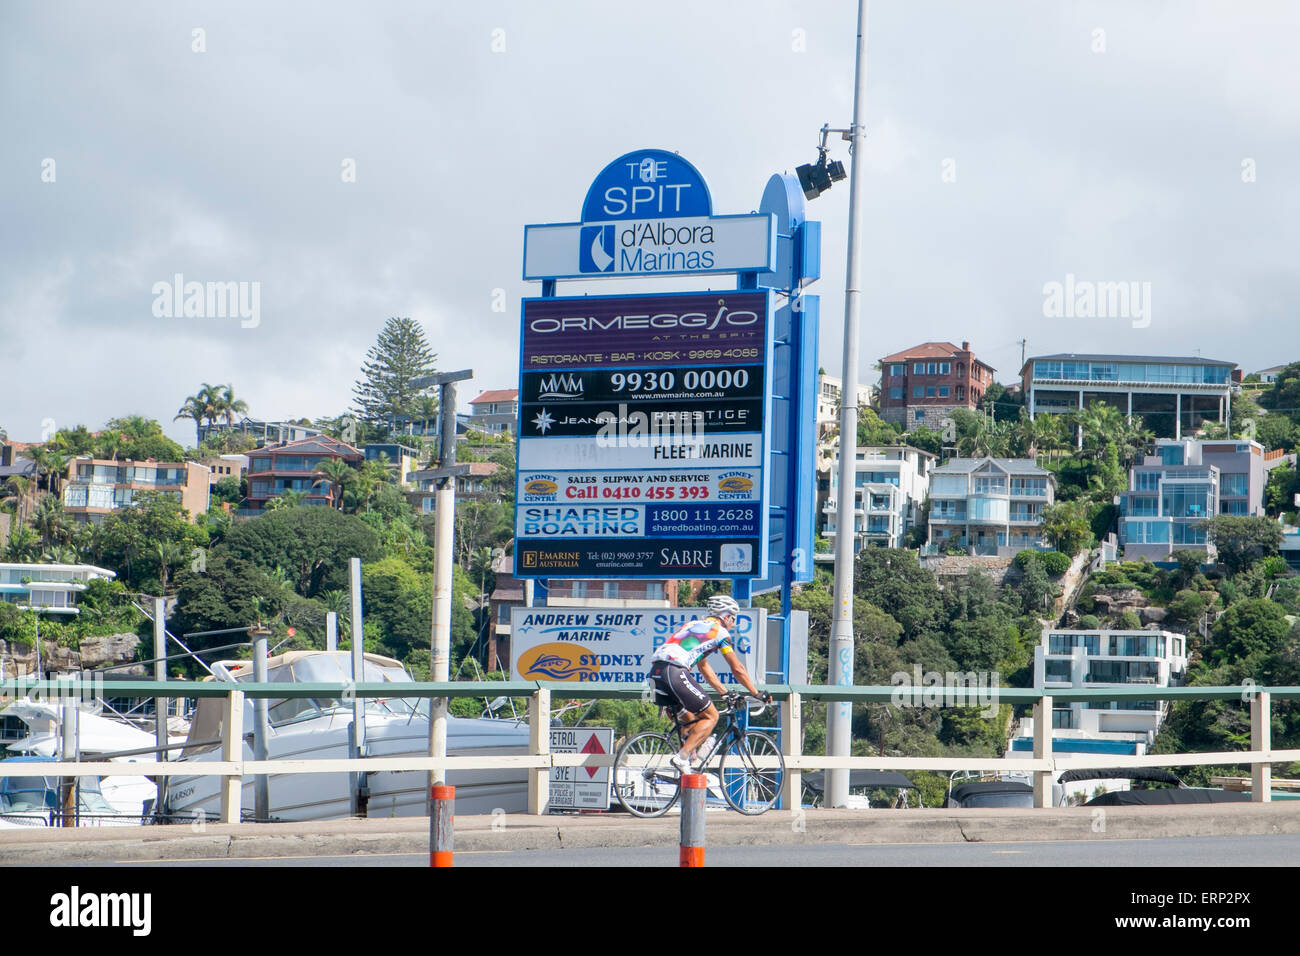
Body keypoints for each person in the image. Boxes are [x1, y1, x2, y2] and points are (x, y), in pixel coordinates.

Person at [648, 594, 771, 774]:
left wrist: (723, 692)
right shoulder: (720, 632)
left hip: (655, 673)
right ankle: (681, 758)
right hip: (674, 671)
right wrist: (756, 693)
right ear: (726, 617)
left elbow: (703, 665)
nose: (733, 623)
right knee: (711, 716)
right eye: (733, 619)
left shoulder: (691, 625)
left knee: (692, 721)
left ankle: (677, 763)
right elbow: (737, 668)